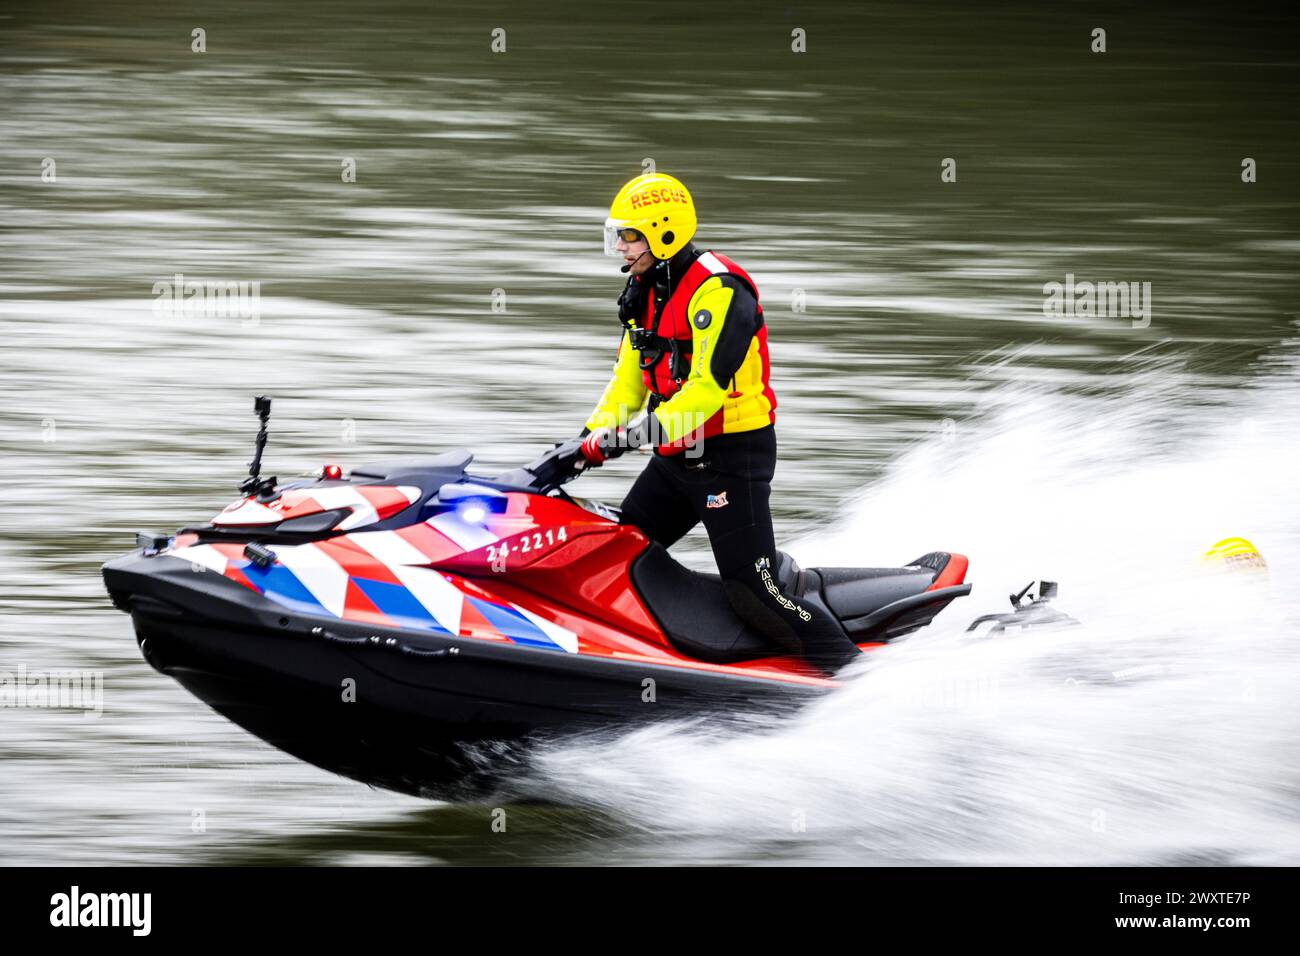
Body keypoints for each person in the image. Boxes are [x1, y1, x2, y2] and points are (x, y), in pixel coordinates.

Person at [575, 172, 863, 674]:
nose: (620, 246)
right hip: (675, 460)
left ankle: (856, 675)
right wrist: (582, 444)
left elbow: (705, 391)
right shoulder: (642, 292)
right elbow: (627, 385)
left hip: (731, 459)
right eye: (617, 235)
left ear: (664, 232)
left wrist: (631, 438)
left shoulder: (720, 289)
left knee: (753, 590)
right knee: (616, 555)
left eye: (629, 235)